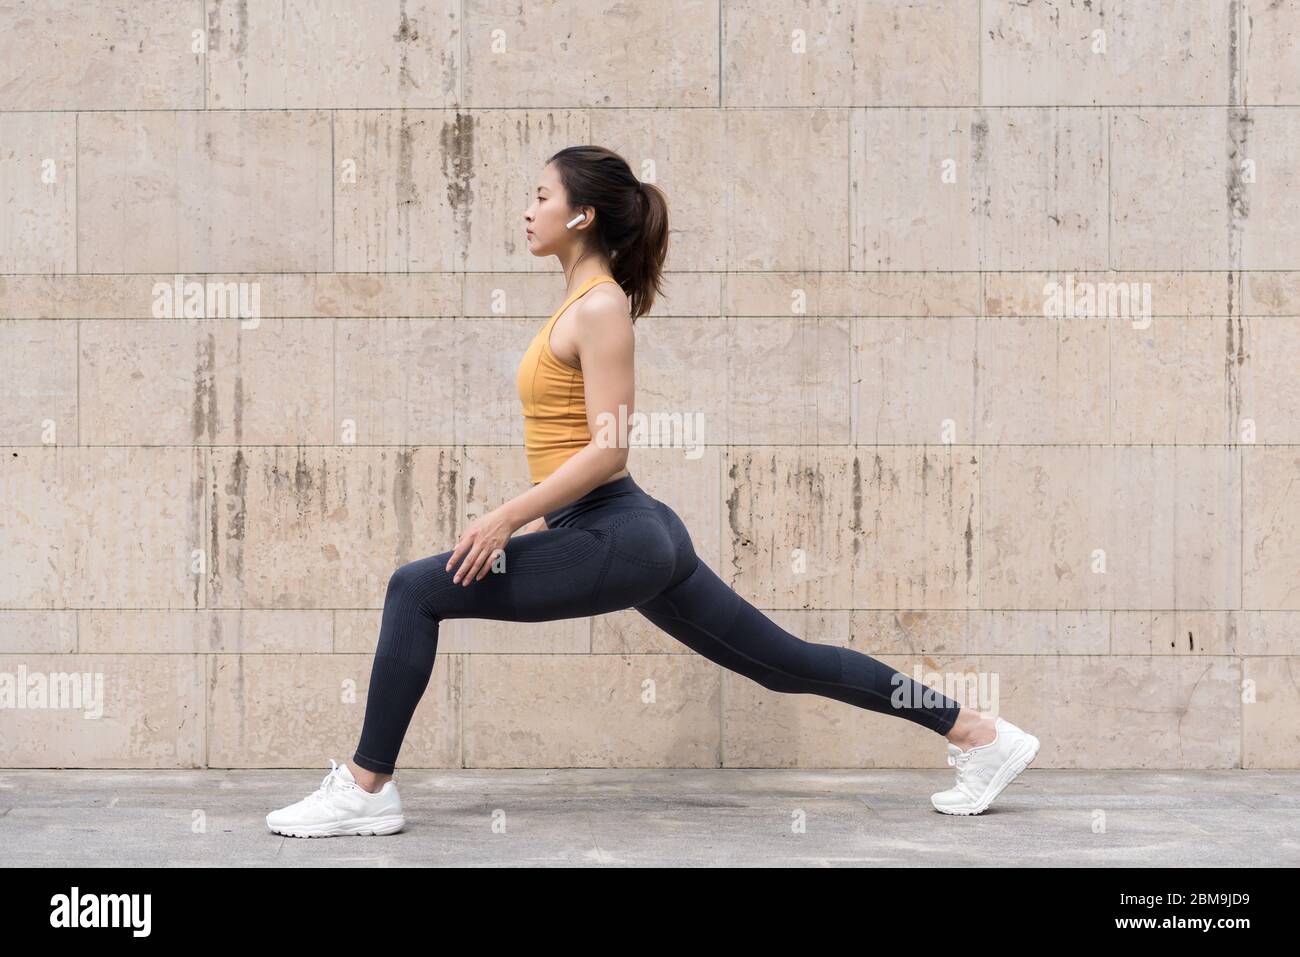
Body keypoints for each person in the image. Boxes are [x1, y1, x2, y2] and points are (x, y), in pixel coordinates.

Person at [265, 146, 1039, 837]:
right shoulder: (577, 303)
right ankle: (976, 731)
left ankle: (367, 789)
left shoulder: (599, 306)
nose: (527, 210)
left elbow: (608, 450)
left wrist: (508, 515)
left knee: (413, 589)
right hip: (628, 533)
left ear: (582, 214)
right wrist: (541, 521)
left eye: (541, 195)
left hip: (619, 531)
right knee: (784, 662)